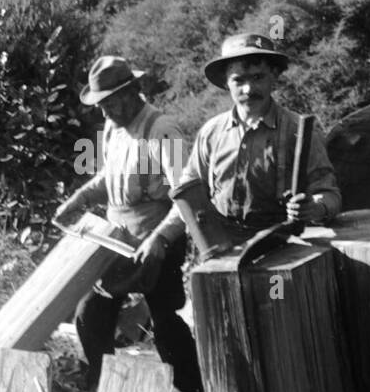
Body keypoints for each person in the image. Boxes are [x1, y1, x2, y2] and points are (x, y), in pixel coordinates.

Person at [53, 57, 204, 392]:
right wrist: (78, 199)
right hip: (118, 241)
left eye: (110, 103)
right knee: (90, 312)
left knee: (166, 322)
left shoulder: (163, 131)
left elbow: (186, 197)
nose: (105, 112)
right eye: (101, 105)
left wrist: (160, 239)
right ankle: (104, 389)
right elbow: (110, 176)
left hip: (158, 241)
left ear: (132, 92)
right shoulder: (112, 128)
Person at [134, 32, 341, 260]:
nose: (248, 89)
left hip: (283, 249)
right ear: (226, 83)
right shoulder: (211, 134)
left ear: (274, 76)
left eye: (258, 77)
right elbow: (189, 200)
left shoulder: (299, 132)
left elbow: (329, 194)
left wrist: (315, 207)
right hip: (224, 250)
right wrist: (160, 237)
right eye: (239, 80)